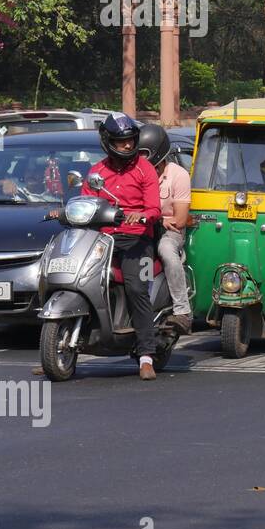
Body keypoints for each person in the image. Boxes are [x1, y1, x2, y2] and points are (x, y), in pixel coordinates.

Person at [82, 113, 161, 380]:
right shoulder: (97, 172)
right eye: (121, 141)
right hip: (101, 239)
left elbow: (153, 208)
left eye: (130, 140)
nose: (127, 145)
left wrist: (140, 216)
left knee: (137, 288)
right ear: (108, 141)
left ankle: (146, 356)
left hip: (137, 239)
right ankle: (61, 349)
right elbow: (86, 203)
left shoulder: (144, 169)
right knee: (76, 278)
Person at [139, 124, 192, 334]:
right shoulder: (135, 173)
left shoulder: (178, 175)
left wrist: (157, 219)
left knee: (167, 253)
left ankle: (182, 310)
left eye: (146, 154)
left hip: (169, 232)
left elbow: (179, 220)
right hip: (140, 227)